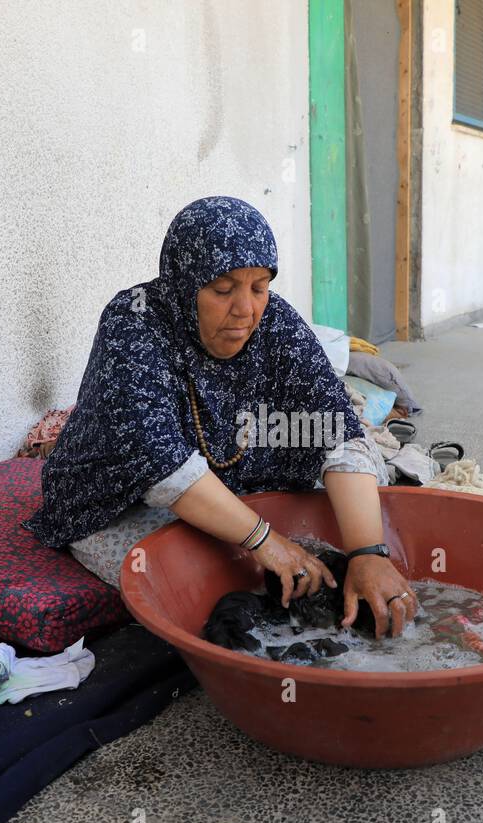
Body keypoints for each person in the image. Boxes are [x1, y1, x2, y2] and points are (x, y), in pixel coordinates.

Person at [25, 196, 417, 638]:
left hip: (235, 477)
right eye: (222, 289)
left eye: (259, 286)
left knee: (349, 519)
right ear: (183, 284)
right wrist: (264, 541)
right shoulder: (133, 323)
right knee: (198, 586)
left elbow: (336, 432)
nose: (246, 309)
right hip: (123, 498)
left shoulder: (276, 321)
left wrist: (369, 554)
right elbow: (160, 465)